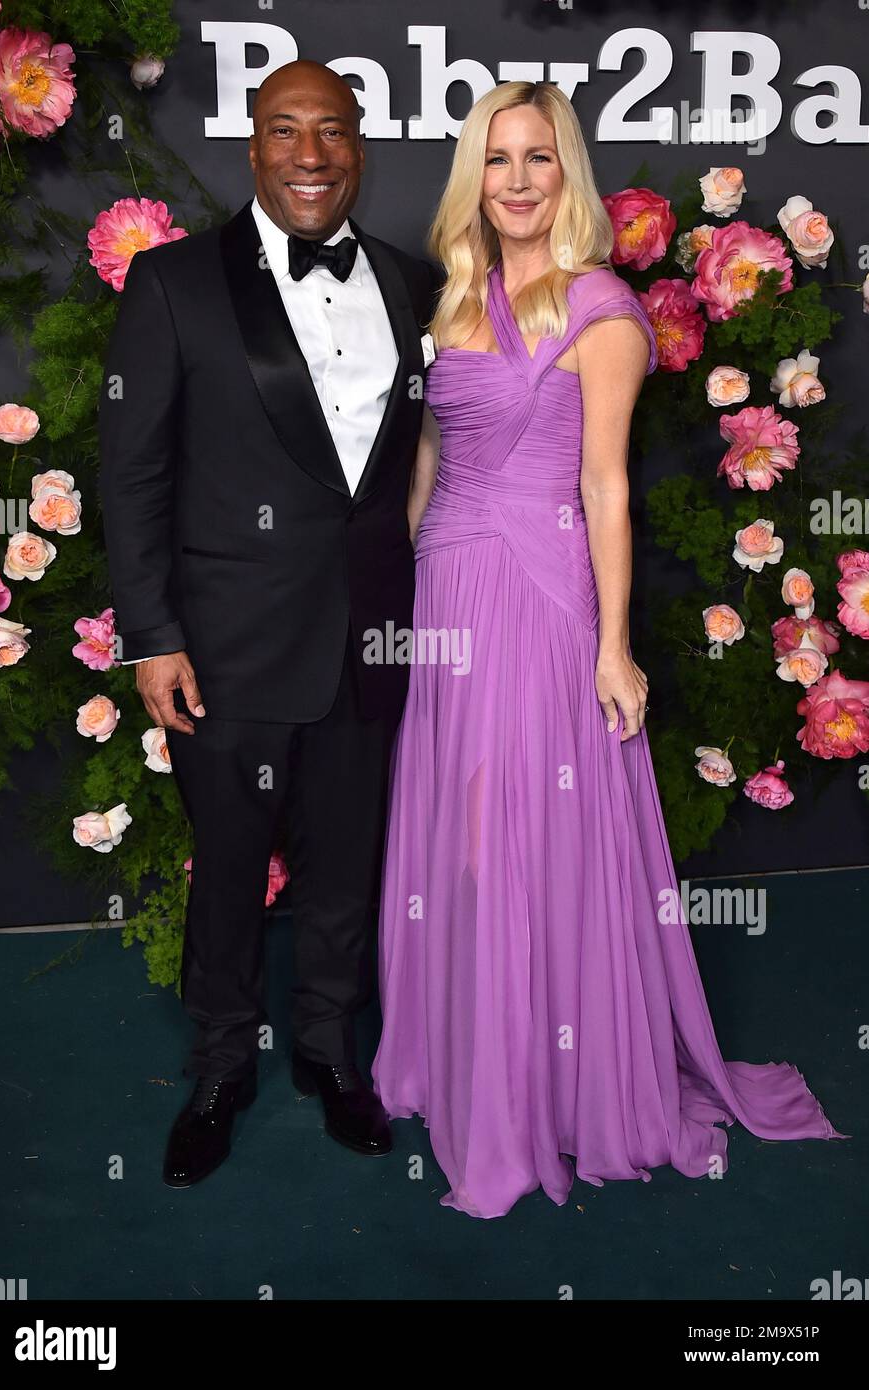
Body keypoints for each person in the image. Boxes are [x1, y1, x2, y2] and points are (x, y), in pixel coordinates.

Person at [371, 80, 845, 1219]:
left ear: (565, 173)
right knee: (464, 832)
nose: (519, 180)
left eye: (539, 158)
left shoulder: (602, 309)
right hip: (446, 590)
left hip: (541, 596)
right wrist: (391, 582)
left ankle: (549, 1084)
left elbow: (604, 485)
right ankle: (467, 1063)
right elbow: (430, 464)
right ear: (472, 177)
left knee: (528, 828)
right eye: (498, 159)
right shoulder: (449, 305)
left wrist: (613, 647)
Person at [98, 60, 437, 1187]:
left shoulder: (410, 282)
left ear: (360, 148)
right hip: (227, 648)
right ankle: (216, 1067)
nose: (309, 153)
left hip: (372, 638)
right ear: (250, 148)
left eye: (331, 131)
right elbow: (133, 473)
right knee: (232, 868)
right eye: (285, 130)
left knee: (348, 866)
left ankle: (331, 1053)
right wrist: (151, 634)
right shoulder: (174, 284)